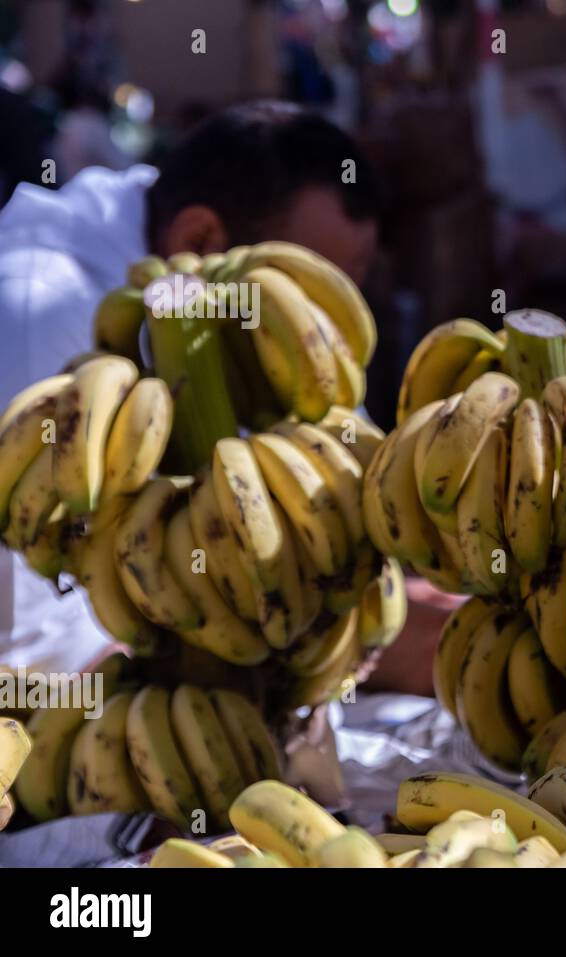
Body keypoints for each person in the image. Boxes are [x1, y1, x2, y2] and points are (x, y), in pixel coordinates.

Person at [0, 101, 381, 674]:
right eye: (301, 290)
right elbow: (25, 634)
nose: (318, 326)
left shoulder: (199, 250)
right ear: (200, 238)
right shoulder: (40, 308)